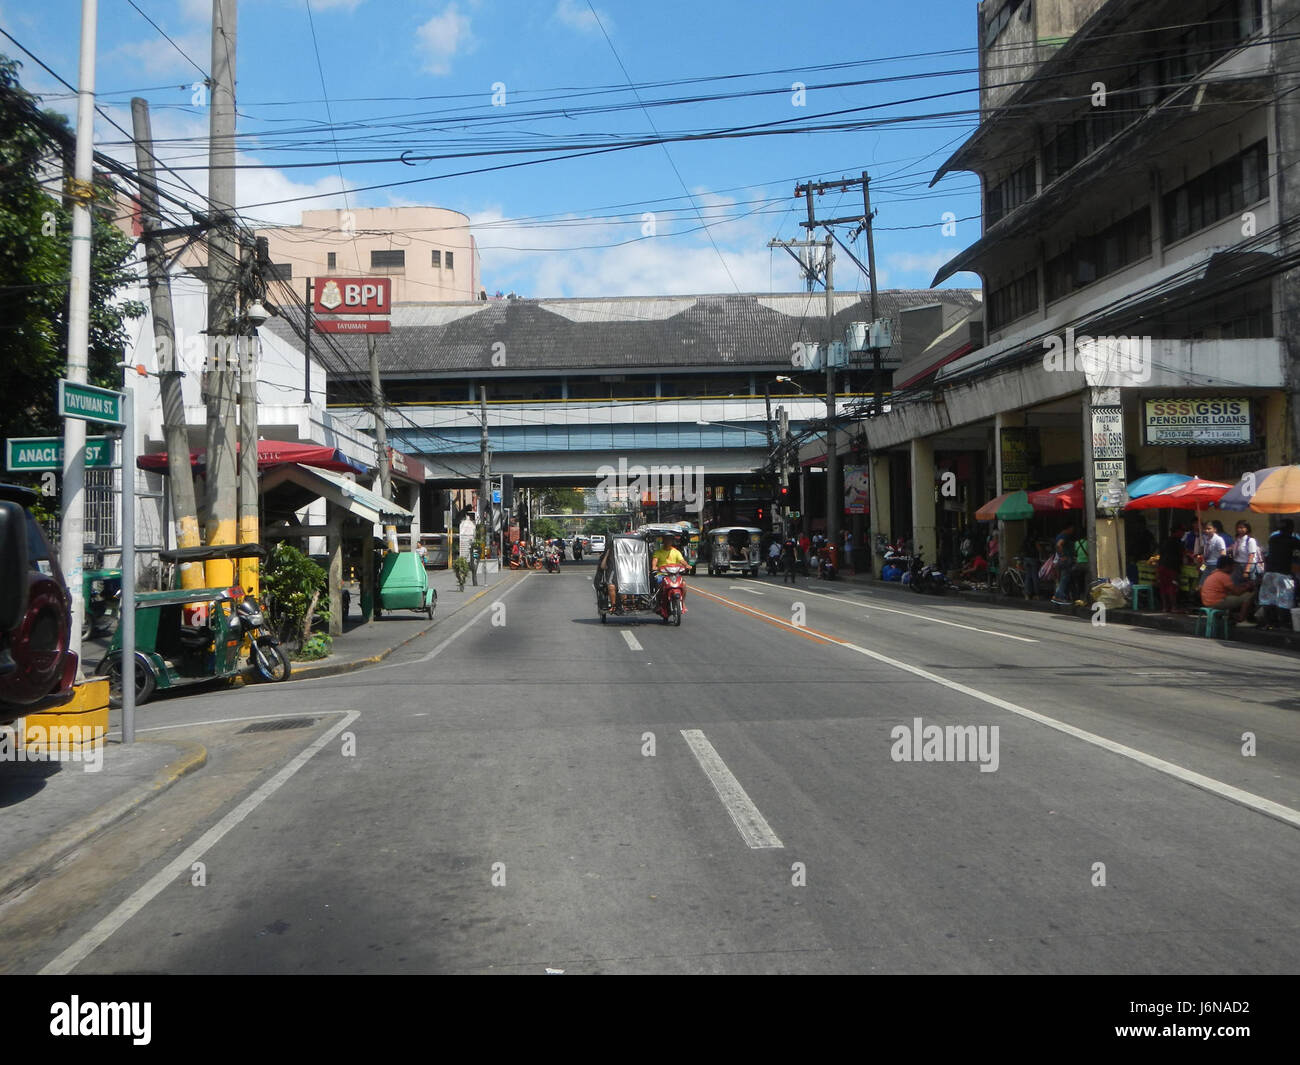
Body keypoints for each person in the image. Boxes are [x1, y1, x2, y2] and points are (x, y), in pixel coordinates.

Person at [1258, 519, 1300, 629]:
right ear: (1291, 528)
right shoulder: (1293, 540)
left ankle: (1270, 623)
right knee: (1286, 598)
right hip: (1285, 575)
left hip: (1269, 574)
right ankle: (1285, 624)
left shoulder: (1273, 538)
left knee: (1267, 599)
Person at [1200, 555, 1256, 623]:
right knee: (1248, 596)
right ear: (1227, 566)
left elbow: (1231, 589)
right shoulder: (1224, 576)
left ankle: (1232, 616)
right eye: (1232, 566)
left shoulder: (1214, 574)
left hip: (1207, 601)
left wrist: (1242, 586)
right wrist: (1247, 587)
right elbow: (1237, 592)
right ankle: (1242, 620)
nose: (1233, 568)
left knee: (1232, 596)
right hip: (1216, 602)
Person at [1157, 531, 1183, 613]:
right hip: (1171, 567)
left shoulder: (1165, 542)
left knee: (1163, 587)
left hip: (1161, 566)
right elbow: (1182, 554)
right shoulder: (1177, 542)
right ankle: (1173, 607)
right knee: (1172, 587)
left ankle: (1165, 607)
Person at [1050, 524, 1076, 605]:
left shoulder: (1059, 535)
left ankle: (1061, 596)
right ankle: (1059, 596)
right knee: (1064, 579)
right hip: (1066, 559)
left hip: (1061, 560)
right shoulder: (1065, 536)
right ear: (1069, 528)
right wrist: (1063, 555)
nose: (1073, 531)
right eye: (1072, 529)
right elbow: (1059, 545)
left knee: (1064, 579)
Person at [1195, 520, 1227, 586]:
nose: (1207, 531)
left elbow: (1223, 554)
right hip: (1205, 564)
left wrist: (1219, 568)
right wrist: (1200, 565)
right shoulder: (1206, 539)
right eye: (1205, 529)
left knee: (1212, 584)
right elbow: (1204, 553)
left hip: (1215, 565)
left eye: (1209, 529)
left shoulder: (1219, 539)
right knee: (1201, 583)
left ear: (1215, 529)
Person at [595, 542, 618, 613]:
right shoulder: (609, 556)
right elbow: (602, 566)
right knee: (611, 586)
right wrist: (607, 554)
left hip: (628, 577)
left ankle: (629, 605)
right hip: (613, 577)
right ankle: (614, 605)